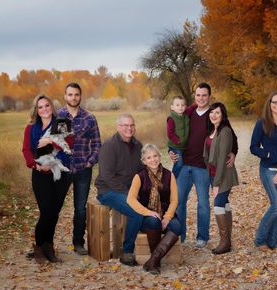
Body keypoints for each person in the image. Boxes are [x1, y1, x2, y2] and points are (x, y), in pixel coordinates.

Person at [171, 83, 237, 247]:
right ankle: (180, 237)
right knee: (179, 201)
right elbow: (174, 130)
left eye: (204, 95)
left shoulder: (214, 114)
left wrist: (233, 152)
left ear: (209, 96)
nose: (201, 98)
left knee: (203, 203)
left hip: (202, 167)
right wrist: (171, 151)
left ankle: (202, 237)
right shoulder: (189, 112)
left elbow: (231, 137)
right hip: (184, 164)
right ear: (195, 96)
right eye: (198, 95)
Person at [22, 94, 73, 263]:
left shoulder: (61, 123)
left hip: (60, 173)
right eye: (40, 107)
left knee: (54, 212)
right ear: (36, 110)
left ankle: (48, 247)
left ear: (52, 106)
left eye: (47, 105)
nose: (44, 109)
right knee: (46, 212)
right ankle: (39, 247)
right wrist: (36, 165)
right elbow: (26, 150)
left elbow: (69, 143)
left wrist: (49, 141)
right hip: (40, 174)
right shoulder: (31, 128)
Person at [57, 83, 101, 255]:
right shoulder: (61, 116)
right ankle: (46, 244)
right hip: (64, 169)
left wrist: (90, 161)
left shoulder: (89, 118)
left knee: (80, 209)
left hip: (83, 169)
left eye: (76, 94)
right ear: (65, 96)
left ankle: (78, 243)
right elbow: (59, 142)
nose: (73, 97)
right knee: (55, 206)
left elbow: (97, 144)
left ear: (80, 96)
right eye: (70, 94)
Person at [95, 113, 144, 266]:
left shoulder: (138, 146)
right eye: (125, 125)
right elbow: (107, 176)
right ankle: (127, 252)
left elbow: (142, 171)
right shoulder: (109, 146)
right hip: (108, 191)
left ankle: (148, 245)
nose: (129, 128)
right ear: (118, 127)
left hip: (128, 189)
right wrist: (130, 195)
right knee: (136, 212)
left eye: (132, 125)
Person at [126, 144, 182, 274]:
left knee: (178, 227)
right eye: (149, 157)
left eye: (155, 156)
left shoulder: (169, 175)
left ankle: (153, 260)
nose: (153, 160)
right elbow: (131, 199)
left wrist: (167, 217)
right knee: (153, 221)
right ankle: (154, 261)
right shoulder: (139, 176)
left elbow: (174, 200)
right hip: (147, 216)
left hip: (166, 213)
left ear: (160, 157)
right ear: (144, 161)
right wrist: (149, 212)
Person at [250, 91, 277, 251]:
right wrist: (267, 153)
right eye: (274, 102)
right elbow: (253, 147)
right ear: (269, 104)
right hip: (269, 169)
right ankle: (260, 240)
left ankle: (273, 242)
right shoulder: (262, 123)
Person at [203, 102, 239, 254]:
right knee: (223, 203)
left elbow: (224, 156)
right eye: (211, 112)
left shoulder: (225, 131)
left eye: (217, 112)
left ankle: (224, 243)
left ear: (222, 115)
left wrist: (216, 183)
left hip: (223, 175)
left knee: (218, 204)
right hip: (213, 174)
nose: (213, 115)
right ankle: (228, 241)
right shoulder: (213, 130)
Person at [166, 96, 189, 178]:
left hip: (183, 146)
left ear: (185, 107)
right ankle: (172, 179)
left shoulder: (186, 117)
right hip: (175, 145)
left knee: (183, 163)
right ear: (172, 107)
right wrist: (178, 141)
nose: (180, 107)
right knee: (179, 163)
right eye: (177, 105)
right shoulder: (171, 119)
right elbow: (170, 133)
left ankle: (179, 178)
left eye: (183, 105)